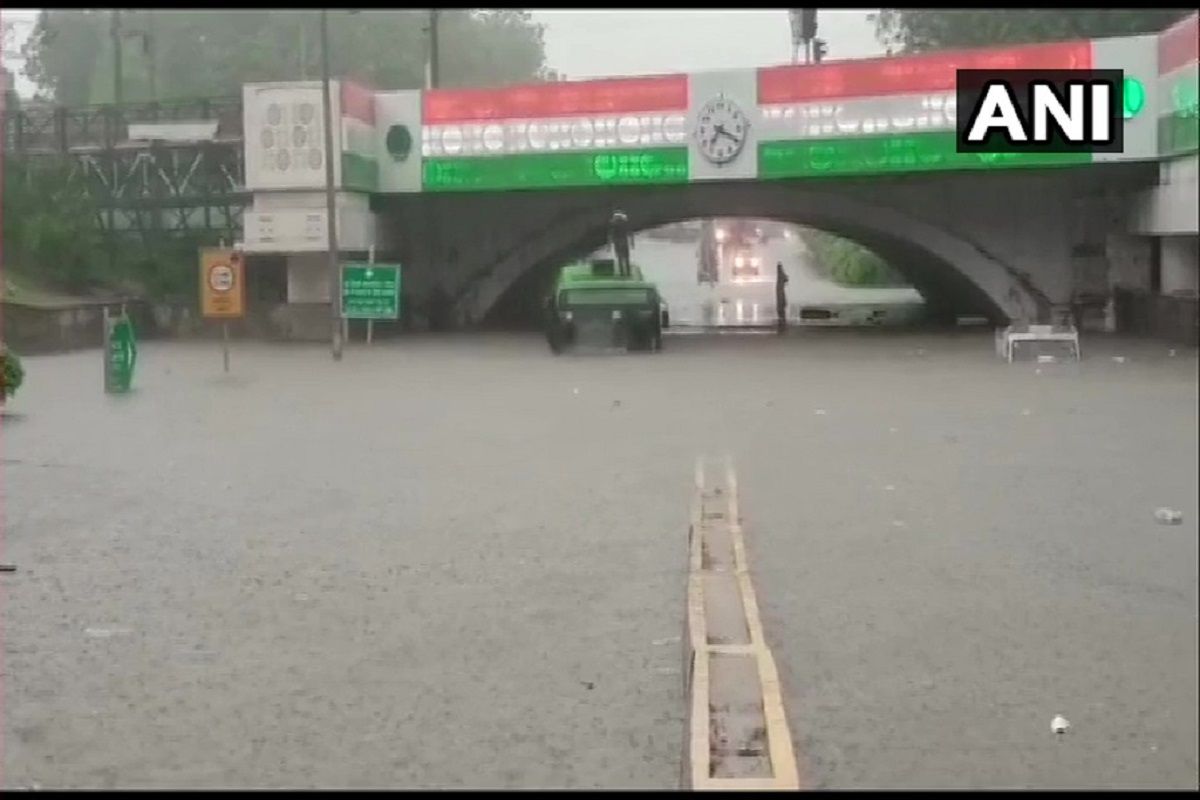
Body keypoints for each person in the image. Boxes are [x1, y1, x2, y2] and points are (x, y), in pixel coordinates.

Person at [610, 210, 632, 277]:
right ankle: (628, 272)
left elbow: (611, 234)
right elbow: (629, 232)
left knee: (620, 257)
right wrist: (632, 242)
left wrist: (610, 244)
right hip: (624, 241)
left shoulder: (613, 223)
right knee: (626, 257)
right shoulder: (625, 221)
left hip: (617, 241)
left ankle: (622, 272)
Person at [775, 262, 789, 333]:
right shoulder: (781, 274)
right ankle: (782, 318)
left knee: (781, 303)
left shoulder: (780, 274)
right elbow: (786, 279)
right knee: (781, 303)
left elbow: (785, 279)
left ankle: (781, 318)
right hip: (780, 290)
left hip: (780, 290)